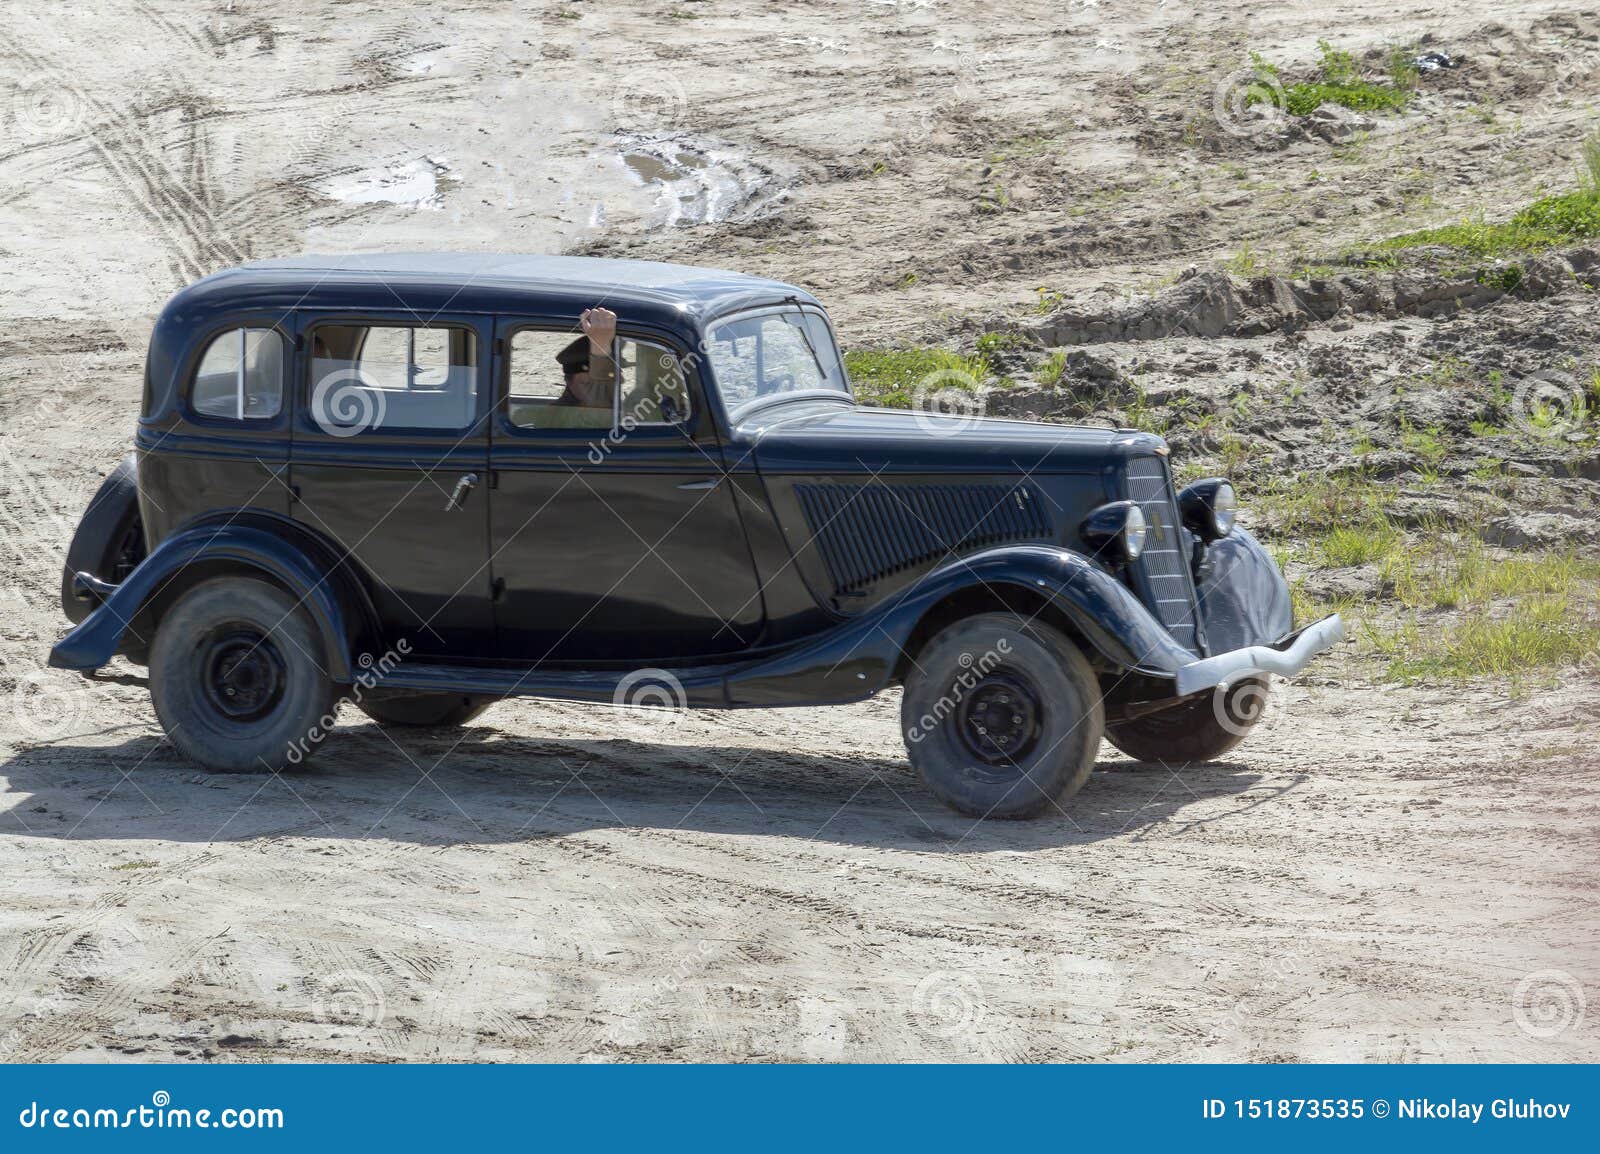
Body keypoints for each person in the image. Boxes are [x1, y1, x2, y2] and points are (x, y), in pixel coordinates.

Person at [536, 307, 618, 429]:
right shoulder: (558, 417)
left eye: (611, 379)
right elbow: (598, 415)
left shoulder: (620, 405)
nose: (596, 389)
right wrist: (600, 346)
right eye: (588, 383)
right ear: (570, 384)